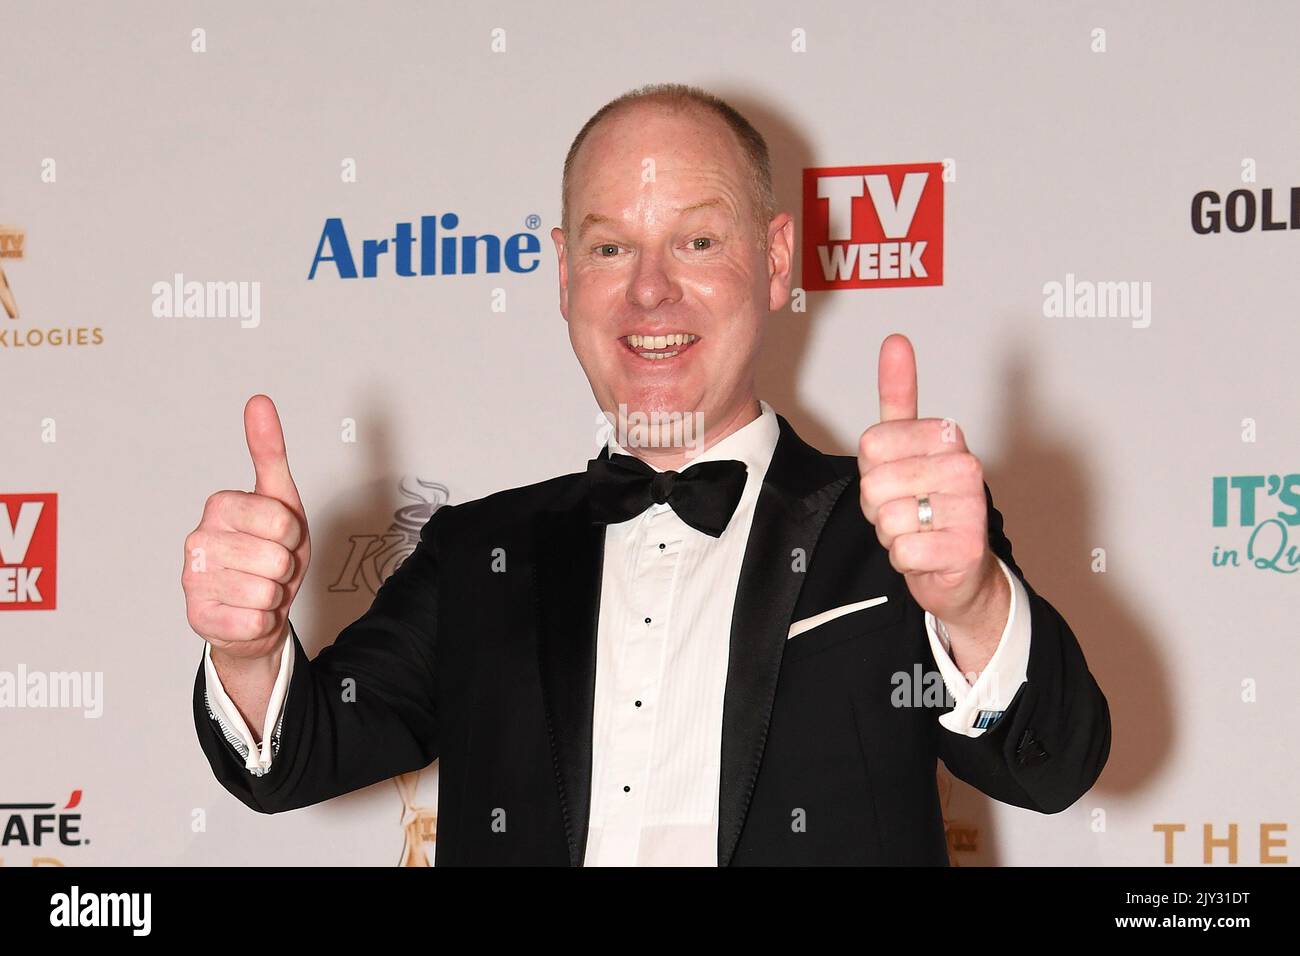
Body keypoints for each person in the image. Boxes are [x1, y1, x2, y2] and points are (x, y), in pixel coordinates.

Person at [184, 82, 1110, 866]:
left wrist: (975, 602)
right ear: (560, 275)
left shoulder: (894, 532)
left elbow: (1052, 766)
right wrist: (250, 652)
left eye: (698, 242)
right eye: (610, 247)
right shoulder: (478, 553)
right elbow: (295, 757)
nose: (650, 289)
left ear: (778, 260)